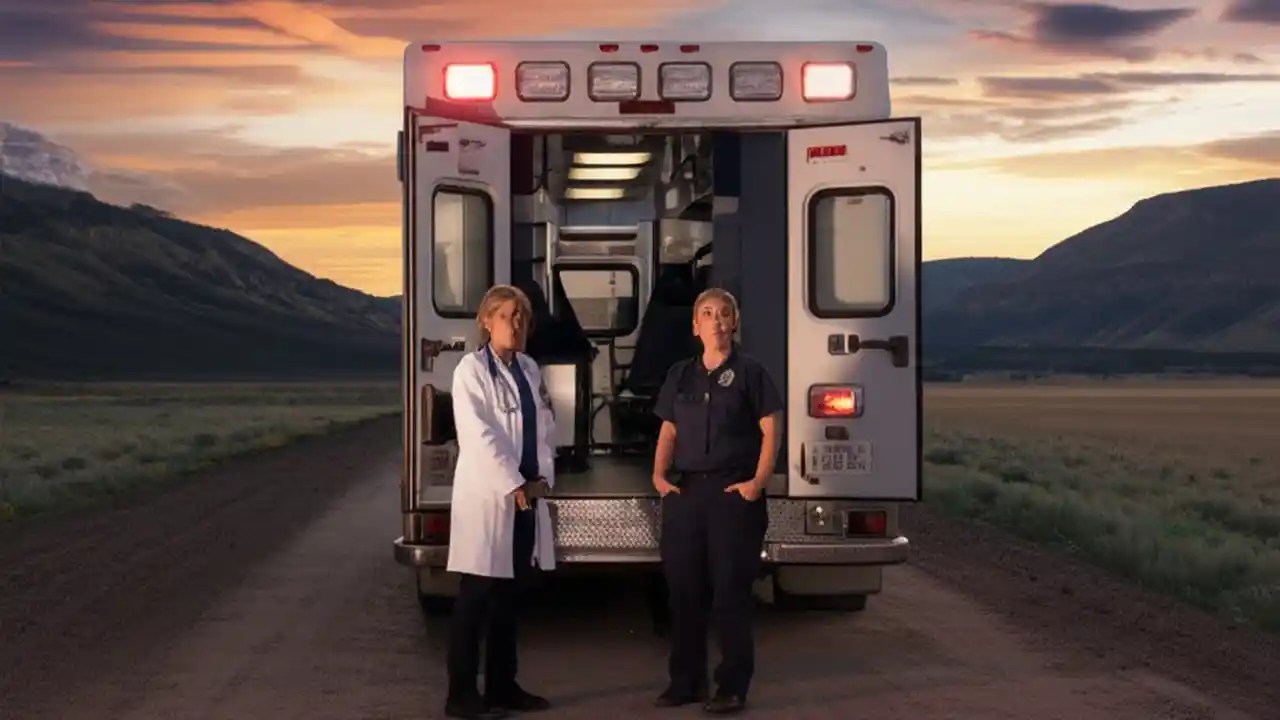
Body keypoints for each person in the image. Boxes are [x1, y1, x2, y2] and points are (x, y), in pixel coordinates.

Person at [651, 287, 783, 716]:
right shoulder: (680, 375)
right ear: (695, 325)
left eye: (724, 314)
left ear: (734, 323)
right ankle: (685, 683)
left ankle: (731, 687)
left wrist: (757, 482)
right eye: (707, 313)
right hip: (687, 493)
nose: (716, 320)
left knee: (730, 593)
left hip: (733, 493)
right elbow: (668, 430)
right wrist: (658, 475)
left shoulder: (751, 373)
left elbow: (771, 429)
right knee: (684, 593)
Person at [445, 284, 557, 720]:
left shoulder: (529, 368)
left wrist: (541, 478)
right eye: (507, 316)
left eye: (521, 318)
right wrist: (512, 483)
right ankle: (460, 694)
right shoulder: (470, 371)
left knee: (509, 597)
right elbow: (479, 435)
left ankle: (502, 687)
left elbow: (545, 425)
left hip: (526, 497)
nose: (516, 325)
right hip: (491, 499)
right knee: (476, 597)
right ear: (486, 322)